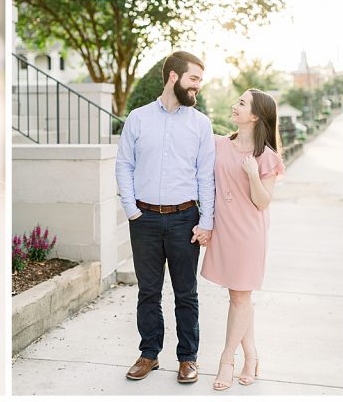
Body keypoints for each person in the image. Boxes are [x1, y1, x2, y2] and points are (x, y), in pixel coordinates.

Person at [115, 50, 216, 384]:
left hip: (185, 218)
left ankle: (188, 358)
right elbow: (124, 164)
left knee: (186, 293)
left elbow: (206, 177)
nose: (197, 87)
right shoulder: (138, 118)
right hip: (143, 218)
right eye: (194, 79)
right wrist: (131, 210)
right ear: (174, 77)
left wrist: (206, 221)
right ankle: (149, 354)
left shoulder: (201, 124)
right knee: (148, 291)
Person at [199, 89, 284, 390]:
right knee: (239, 297)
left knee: (239, 297)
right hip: (224, 230)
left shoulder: (267, 156)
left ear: (256, 115)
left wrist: (251, 174)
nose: (235, 106)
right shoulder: (219, 143)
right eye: (237, 101)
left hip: (249, 235)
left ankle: (226, 360)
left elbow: (263, 202)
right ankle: (252, 355)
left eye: (242, 103)